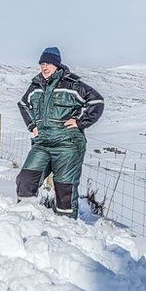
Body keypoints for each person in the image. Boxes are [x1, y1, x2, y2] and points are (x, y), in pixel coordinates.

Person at [16, 46, 104, 218]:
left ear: (57, 65)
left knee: (65, 188)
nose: (44, 67)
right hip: (41, 144)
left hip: (67, 145)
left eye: (48, 63)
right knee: (25, 179)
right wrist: (32, 126)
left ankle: (66, 228)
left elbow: (97, 101)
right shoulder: (36, 86)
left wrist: (80, 122)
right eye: (42, 64)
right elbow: (23, 104)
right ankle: (23, 218)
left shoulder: (72, 85)